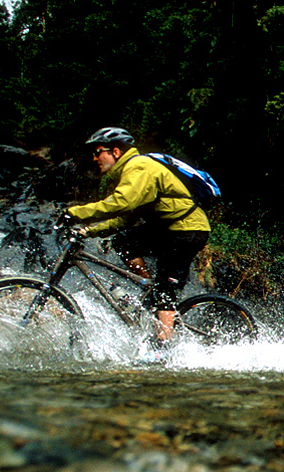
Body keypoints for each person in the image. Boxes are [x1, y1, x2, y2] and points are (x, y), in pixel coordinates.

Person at [64, 127, 210, 355]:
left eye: (97, 152)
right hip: (168, 228)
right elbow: (125, 218)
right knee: (125, 242)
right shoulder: (130, 171)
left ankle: (161, 351)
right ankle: (150, 289)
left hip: (186, 230)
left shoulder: (138, 166)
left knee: (166, 290)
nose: (94, 158)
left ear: (115, 151)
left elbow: (121, 203)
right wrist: (87, 231)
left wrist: (75, 213)